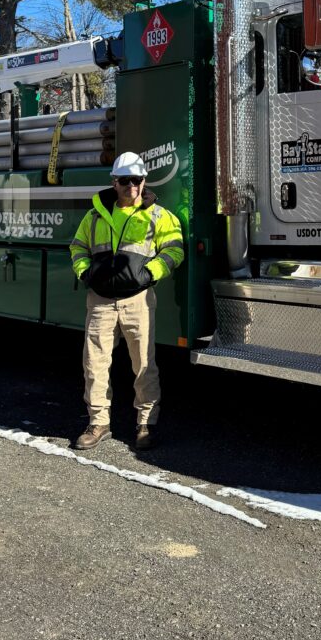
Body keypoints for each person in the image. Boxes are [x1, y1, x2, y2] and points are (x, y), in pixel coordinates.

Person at [69, 151, 184, 451]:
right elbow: (78, 247)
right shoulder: (94, 215)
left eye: (136, 180)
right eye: (125, 180)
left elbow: (174, 250)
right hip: (101, 300)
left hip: (138, 300)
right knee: (94, 364)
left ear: (144, 181)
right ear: (114, 182)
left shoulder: (159, 216)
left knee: (144, 365)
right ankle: (98, 424)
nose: (131, 186)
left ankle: (146, 425)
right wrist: (85, 273)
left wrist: (150, 274)